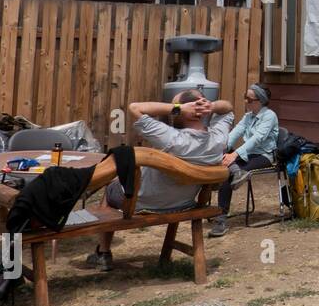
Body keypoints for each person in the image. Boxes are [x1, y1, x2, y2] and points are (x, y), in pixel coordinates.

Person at [83, 90, 234, 271]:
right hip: (184, 203)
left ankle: (103, 252)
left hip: (141, 203)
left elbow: (135, 108)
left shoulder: (173, 138)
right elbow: (228, 108)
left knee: (110, 189)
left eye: (176, 106)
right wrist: (211, 106)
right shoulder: (218, 140)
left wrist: (178, 108)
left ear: (185, 111)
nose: (173, 110)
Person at [210, 83, 279, 237]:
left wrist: (234, 155)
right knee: (224, 163)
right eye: (245, 97)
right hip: (248, 154)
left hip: (264, 155)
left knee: (227, 174)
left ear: (260, 101)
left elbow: (258, 139)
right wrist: (221, 148)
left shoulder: (269, 116)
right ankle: (236, 172)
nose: (246, 101)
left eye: (249, 99)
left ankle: (221, 218)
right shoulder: (248, 116)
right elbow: (235, 133)